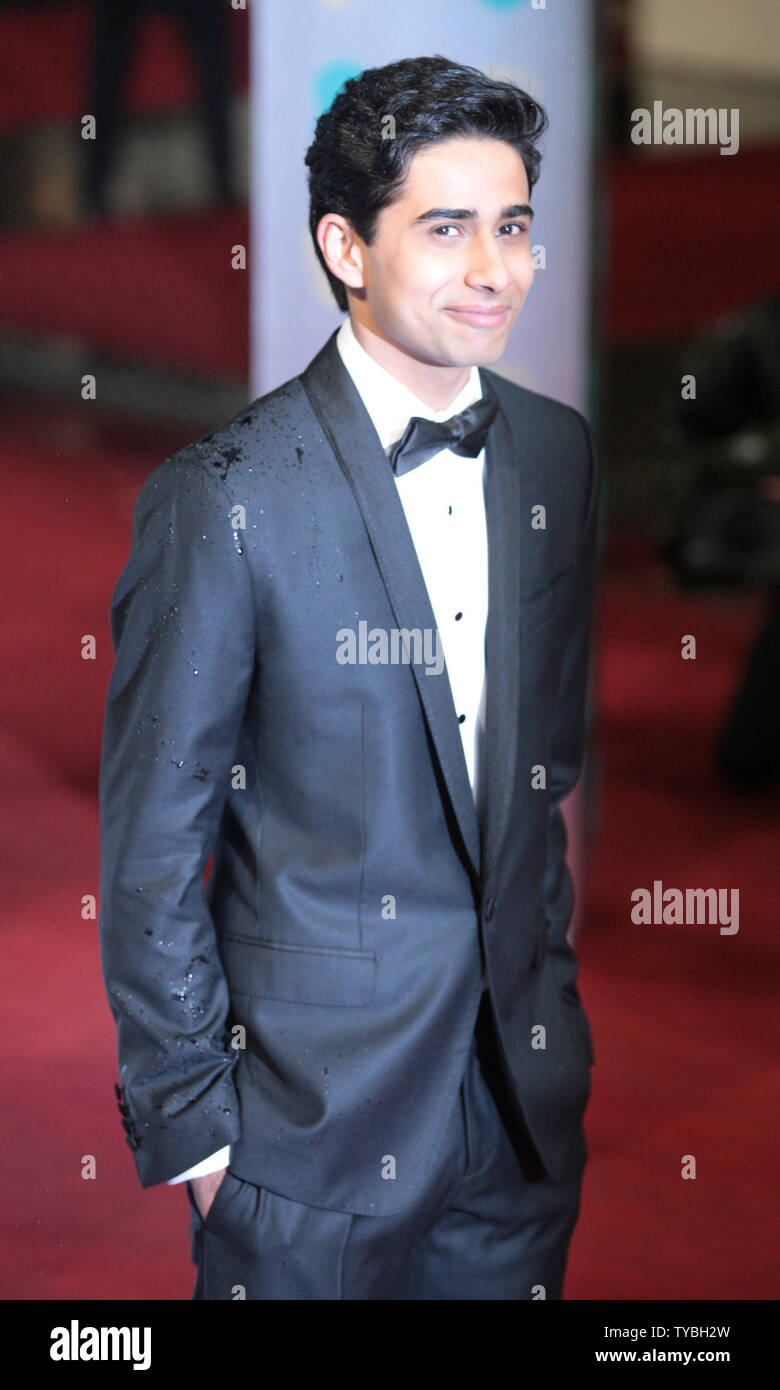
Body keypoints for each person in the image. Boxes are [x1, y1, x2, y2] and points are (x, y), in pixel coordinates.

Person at [98, 55, 600, 1301]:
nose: (496, 270)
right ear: (345, 244)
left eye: (514, 226)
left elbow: (540, 784)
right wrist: (202, 1136)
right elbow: (152, 851)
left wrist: (552, 1035)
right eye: (446, 229)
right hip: (301, 1141)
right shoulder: (223, 499)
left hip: (516, 1134)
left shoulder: (555, 453)